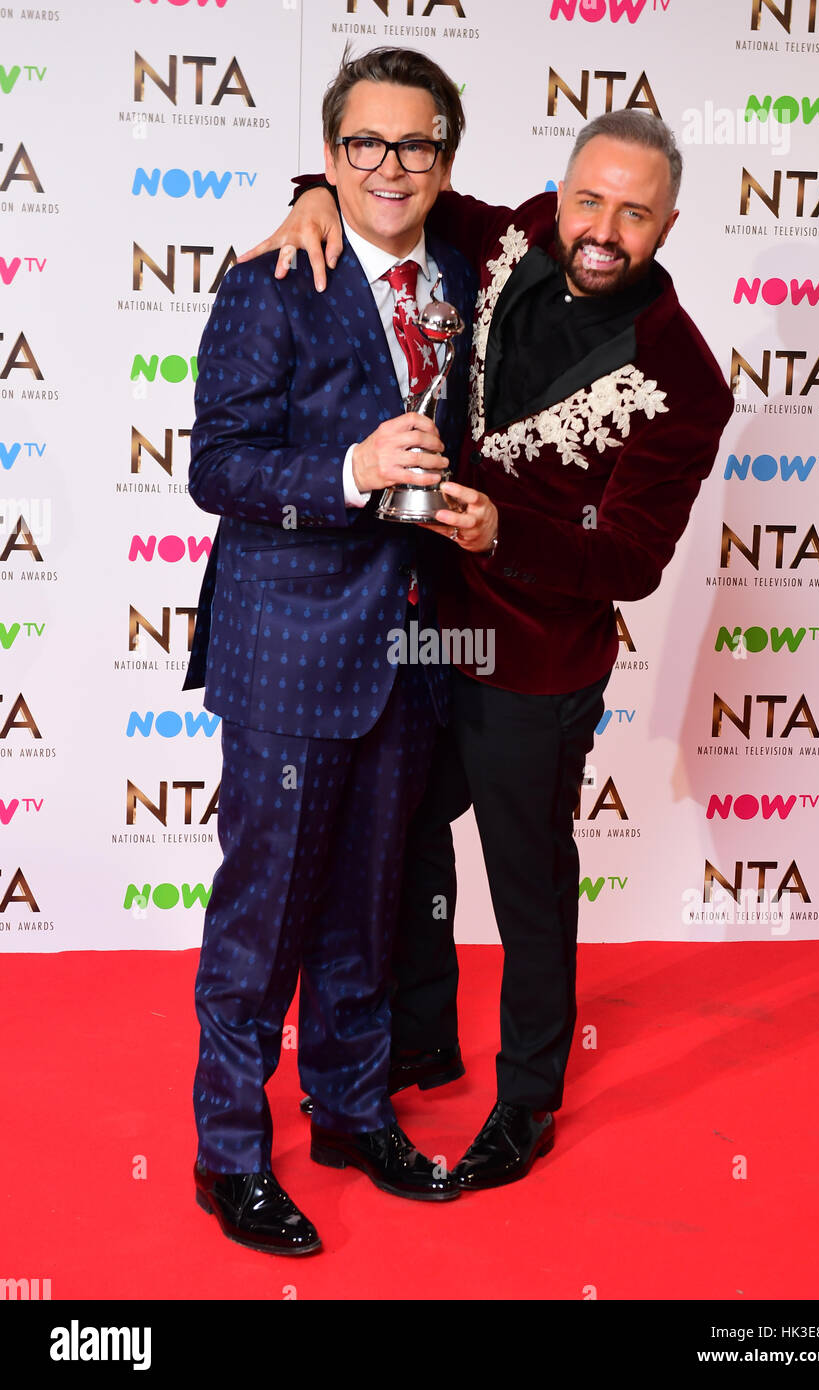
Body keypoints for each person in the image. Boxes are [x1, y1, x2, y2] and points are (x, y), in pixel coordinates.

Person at [245, 110, 734, 1191]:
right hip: (421, 622)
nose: (601, 229)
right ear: (557, 192)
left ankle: (528, 1100)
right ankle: (419, 1038)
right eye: (588, 200)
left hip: (538, 655)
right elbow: (397, 190)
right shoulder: (510, 234)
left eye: (634, 212)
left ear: (670, 222)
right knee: (402, 829)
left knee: (527, 877)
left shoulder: (687, 380)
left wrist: (504, 533)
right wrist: (315, 193)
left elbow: (636, 558)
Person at [182, 46, 496, 1256]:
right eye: (362, 144)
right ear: (328, 155)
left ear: (444, 159)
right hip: (289, 648)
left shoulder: (463, 279)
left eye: (414, 143)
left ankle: (354, 1112)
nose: (388, 166)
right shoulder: (274, 280)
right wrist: (351, 471)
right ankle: (227, 1152)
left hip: (410, 648)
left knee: (371, 908)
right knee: (264, 920)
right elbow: (219, 464)